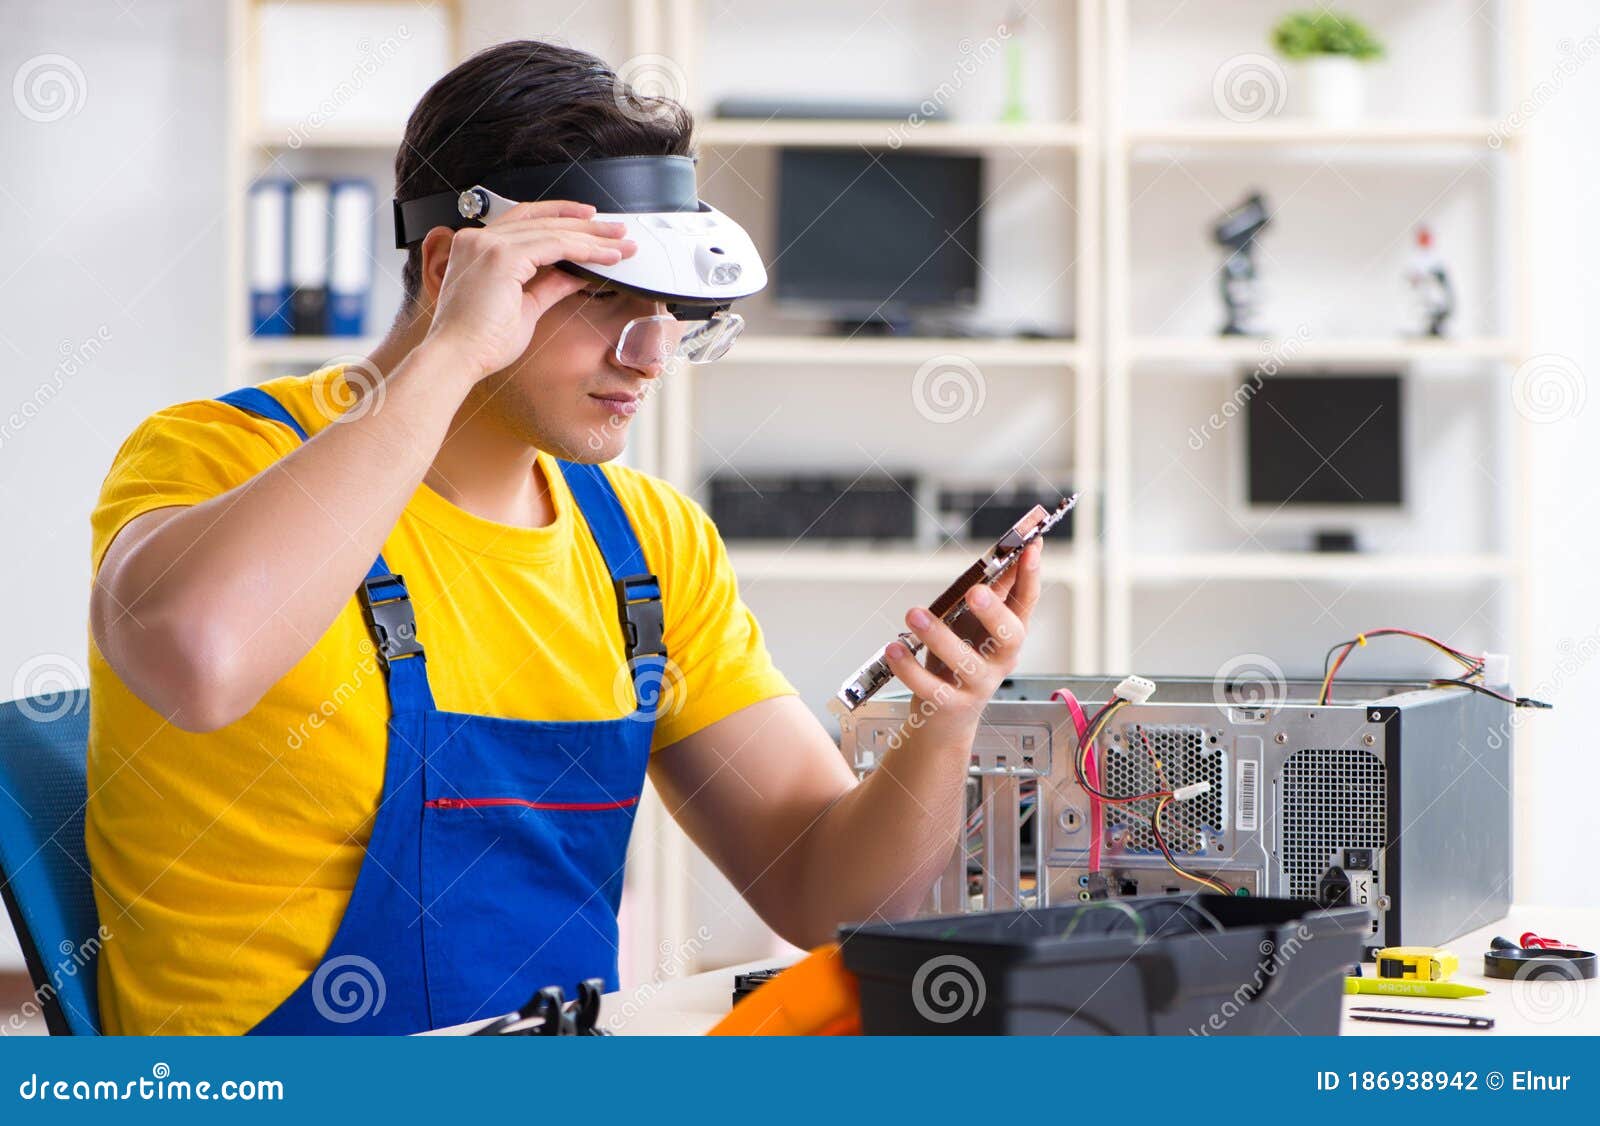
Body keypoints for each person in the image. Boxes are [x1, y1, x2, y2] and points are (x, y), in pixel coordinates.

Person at [85, 39, 1042, 1035]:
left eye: (667, 307)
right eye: (600, 296)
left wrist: (945, 721)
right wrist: (454, 350)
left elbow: (824, 894)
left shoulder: (647, 545)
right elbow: (198, 665)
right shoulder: (219, 457)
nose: (650, 355)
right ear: (453, 267)